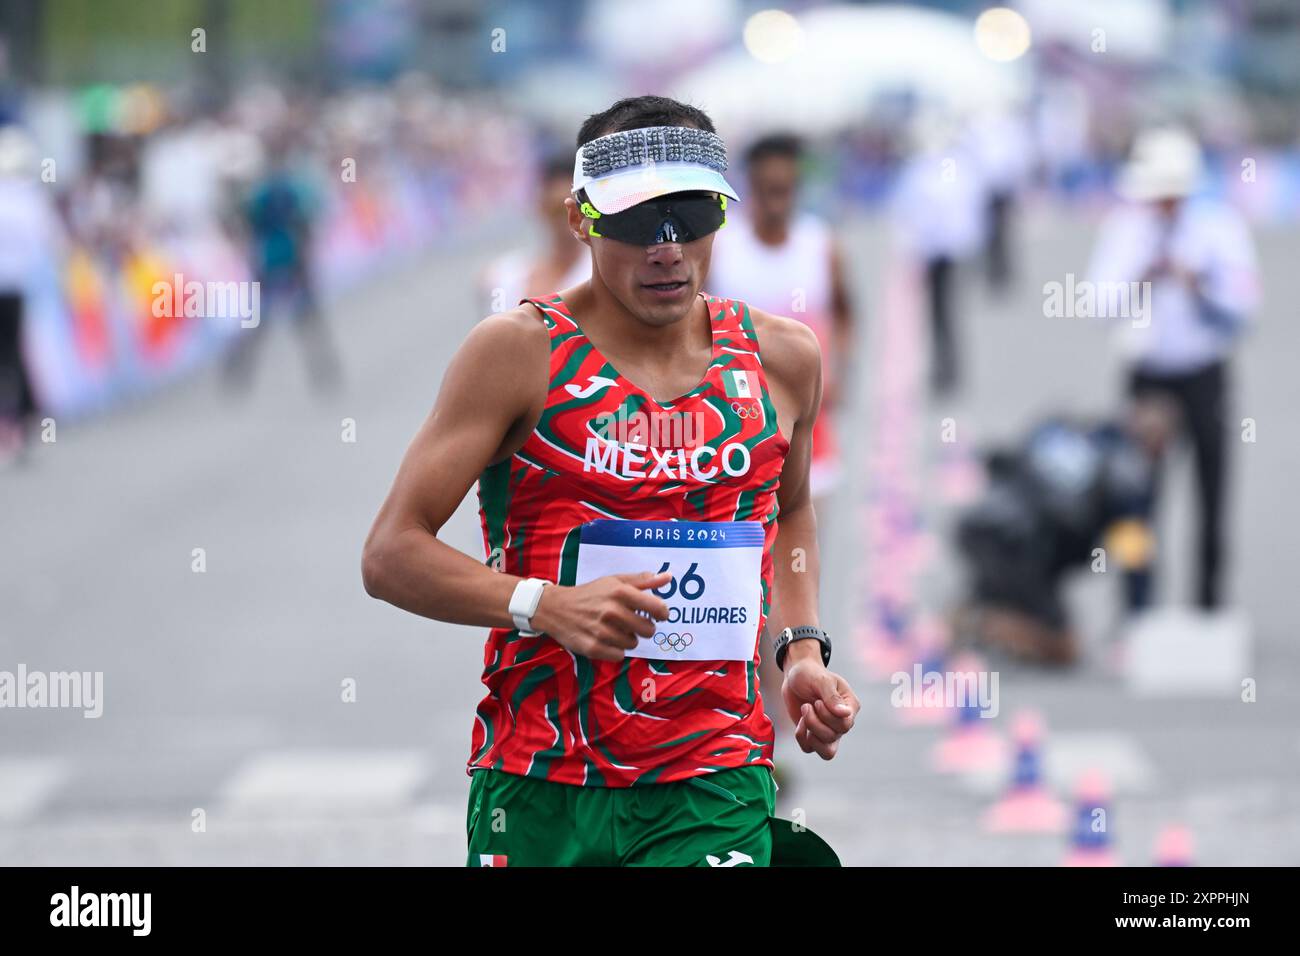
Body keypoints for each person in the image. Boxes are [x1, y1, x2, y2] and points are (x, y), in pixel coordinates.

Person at [363, 96, 859, 867]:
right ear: (579, 219)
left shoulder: (782, 358)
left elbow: (790, 512)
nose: (668, 250)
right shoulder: (517, 353)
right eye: (635, 222)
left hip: (712, 775)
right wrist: (545, 605)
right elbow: (391, 553)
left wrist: (799, 651)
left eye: (691, 215)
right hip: (539, 778)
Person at [1087, 126, 1260, 610]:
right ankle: (1137, 608)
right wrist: (1141, 278)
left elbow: (1246, 307)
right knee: (1133, 498)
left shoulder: (1220, 227)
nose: (1161, 205)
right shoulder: (1124, 230)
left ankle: (1209, 606)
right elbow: (1096, 306)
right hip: (1148, 376)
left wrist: (1199, 285)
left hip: (1204, 373)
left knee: (1213, 493)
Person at [706, 133, 855, 502]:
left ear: (798, 187)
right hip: (734, 420)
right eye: (766, 189)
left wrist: (839, 372)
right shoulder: (720, 246)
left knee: (806, 540)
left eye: (784, 189)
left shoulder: (821, 244)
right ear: (749, 187)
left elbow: (845, 313)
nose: (776, 200)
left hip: (807, 420)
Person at [891, 112, 986, 395]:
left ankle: (947, 370)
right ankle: (944, 369)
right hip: (939, 252)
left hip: (949, 252)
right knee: (941, 314)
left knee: (944, 313)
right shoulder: (939, 170)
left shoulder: (945, 170)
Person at [0, 126, 62, 465]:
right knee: (15, 357)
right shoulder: (30, 198)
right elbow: (47, 242)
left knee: (9, 358)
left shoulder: (23, 198)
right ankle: (23, 424)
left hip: (11, 286)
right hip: (18, 287)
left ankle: (17, 425)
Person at [479, 151, 589, 312]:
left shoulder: (600, 277)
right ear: (540, 205)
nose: (568, 219)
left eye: (576, 209)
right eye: (558, 209)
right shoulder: (506, 277)